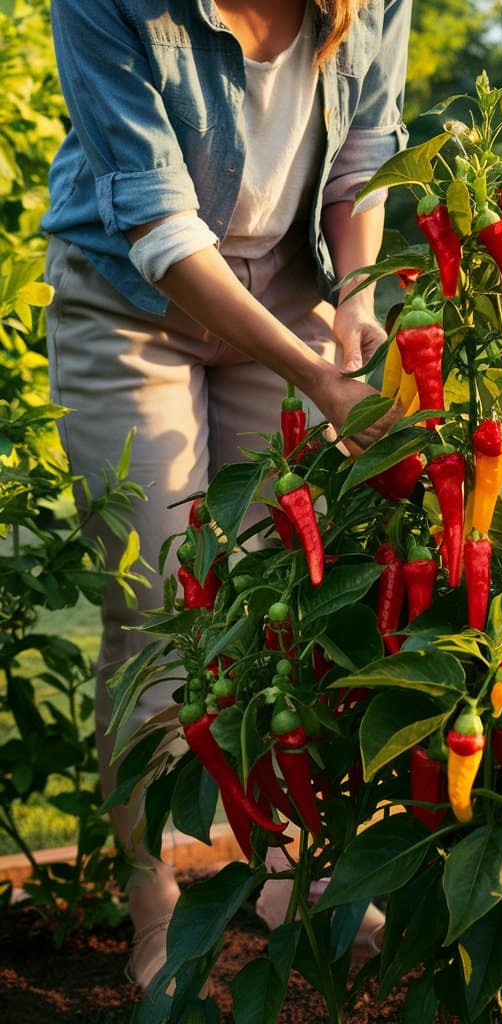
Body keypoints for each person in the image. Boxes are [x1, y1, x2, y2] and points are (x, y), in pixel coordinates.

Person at [42, 0, 411, 990]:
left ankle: (290, 873)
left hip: (288, 289)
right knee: (162, 610)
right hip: (131, 298)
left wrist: (358, 304)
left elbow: (364, 153)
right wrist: (320, 377)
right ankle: (157, 908)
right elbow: (158, 224)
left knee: (276, 610)